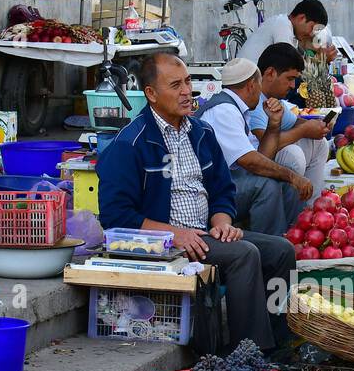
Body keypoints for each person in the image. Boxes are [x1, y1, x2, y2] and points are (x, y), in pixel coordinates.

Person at [97, 52, 294, 353]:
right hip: (165, 242)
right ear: (151, 94)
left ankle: (281, 343)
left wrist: (222, 222)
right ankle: (251, 355)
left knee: (281, 250)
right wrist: (174, 233)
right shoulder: (130, 143)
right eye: (175, 85)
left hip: (203, 234)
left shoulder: (201, 133)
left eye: (188, 82)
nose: (187, 91)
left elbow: (222, 190)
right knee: (244, 255)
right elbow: (115, 216)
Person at [193, 58, 312, 236]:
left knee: (287, 183)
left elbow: (262, 156)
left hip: (230, 181)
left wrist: (274, 124)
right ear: (251, 85)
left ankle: (294, 238)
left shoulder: (235, 108)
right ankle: (273, 247)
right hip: (213, 191)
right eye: (260, 84)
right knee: (267, 185)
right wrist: (292, 175)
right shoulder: (224, 111)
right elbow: (250, 162)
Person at [248, 43, 331, 197]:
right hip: (253, 170)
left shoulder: (273, 99)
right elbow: (266, 147)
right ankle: (292, 217)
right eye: (290, 78)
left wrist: (315, 126)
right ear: (270, 73)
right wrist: (304, 130)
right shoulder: (253, 100)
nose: (293, 86)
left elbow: (294, 122)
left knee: (319, 143)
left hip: (267, 161)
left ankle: (312, 209)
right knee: (293, 154)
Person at [238, 0, 331, 69]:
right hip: (247, 81)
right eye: (312, 28)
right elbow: (290, 65)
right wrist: (320, 60)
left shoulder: (290, 29)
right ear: (301, 18)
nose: (311, 34)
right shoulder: (282, 25)